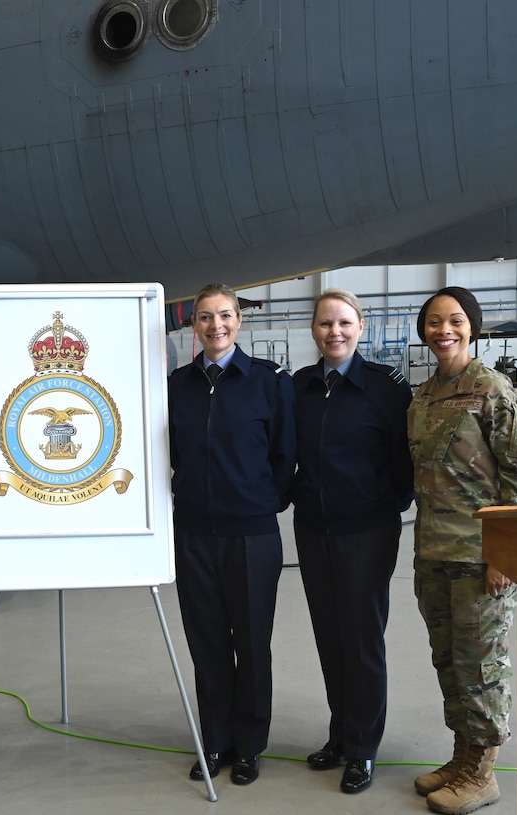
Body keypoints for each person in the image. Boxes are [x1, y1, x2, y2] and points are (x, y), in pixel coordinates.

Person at [407, 286, 517, 815]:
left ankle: (482, 774)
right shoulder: (422, 396)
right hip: (433, 554)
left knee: (482, 668)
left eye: (456, 320)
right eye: (435, 321)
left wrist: (505, 557)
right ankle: (462, 758)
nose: (444, 330)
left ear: (472, 327)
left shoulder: (492, 390)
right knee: (451, 663)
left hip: (480, 557)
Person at [167, 282, 296, 786]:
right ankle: (215, 741)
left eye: (224, 315)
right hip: (194, 534)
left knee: (252, 642)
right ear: (194, 325)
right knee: (207, 645)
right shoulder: (177, 386)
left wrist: (259, 502)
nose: (215, 325)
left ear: (239, 321)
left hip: (251, 535)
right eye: (205, 316)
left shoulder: (269, 383)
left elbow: (285, 455)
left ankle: (250, 745)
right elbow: (171, 454)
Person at [290, 289, 413, 794]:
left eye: (344, 323)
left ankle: (363, 748)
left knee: (361, 640)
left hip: (366, 530)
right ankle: (341, 734)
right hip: (313, 528)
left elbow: (404, 461)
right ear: (313, 330)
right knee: (330, 636)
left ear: (360, 326)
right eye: (325, 324)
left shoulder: (386, 388)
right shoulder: (299, 386)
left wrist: (382, 505)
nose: (334, 332)